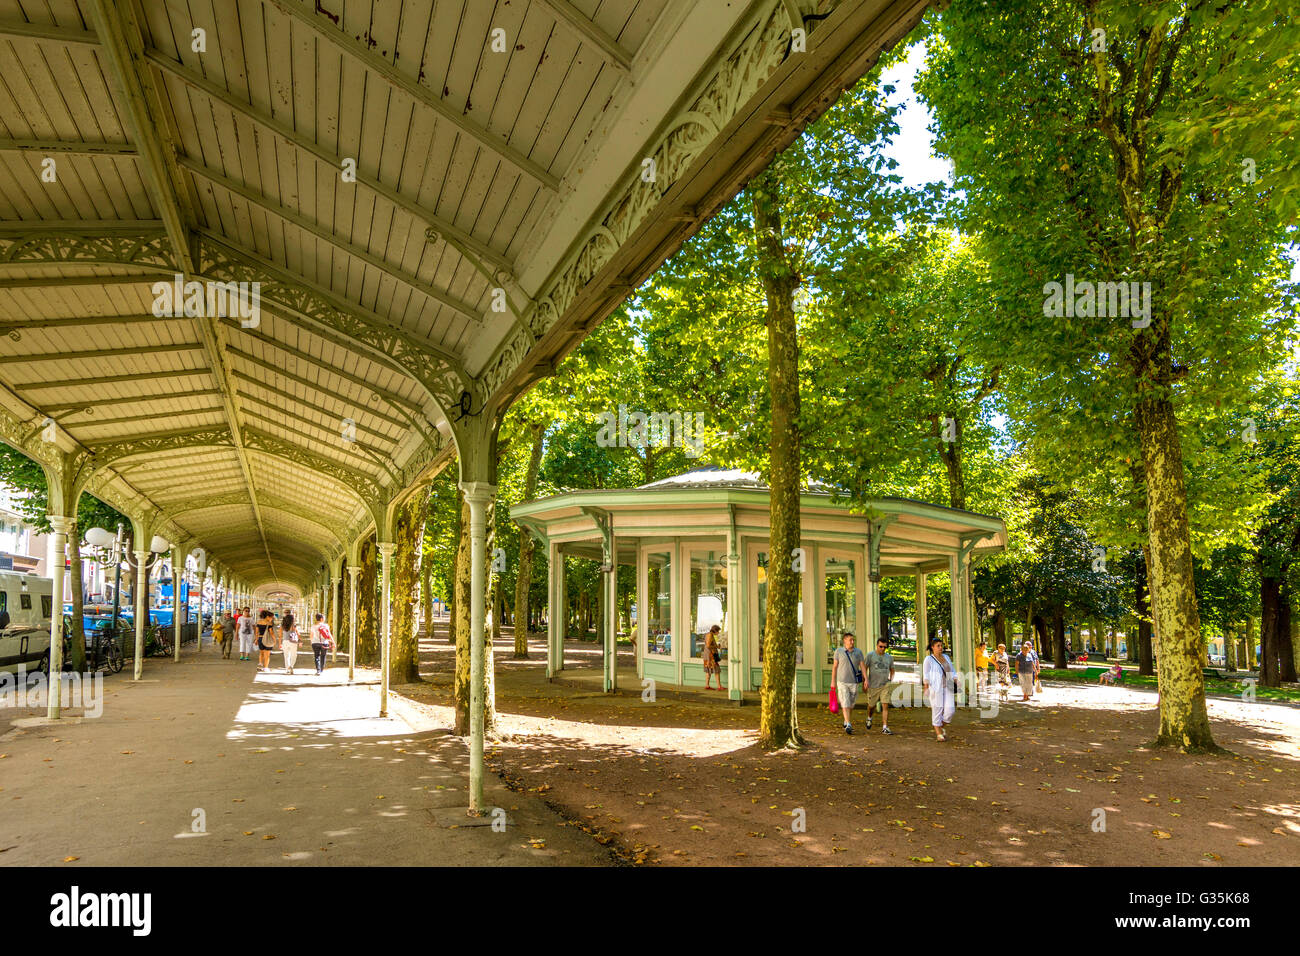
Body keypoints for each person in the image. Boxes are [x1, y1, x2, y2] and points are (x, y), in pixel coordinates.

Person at [922, 637, 956, 742]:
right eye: (938, 646)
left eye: (941, 646)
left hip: (948, 687)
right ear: (932, 647)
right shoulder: (928, 659)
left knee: (950, 711)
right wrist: (926, 687)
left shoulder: (946, 657)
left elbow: (951, 670)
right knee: (937, 710)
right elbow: (926, 674)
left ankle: (940, 727)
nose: (940, 648)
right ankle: (938, 734)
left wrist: (956, 679)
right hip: (936, 688)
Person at [831, 631, 867, 734]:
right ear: (844, 641)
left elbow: (862, 666)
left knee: (851, 704)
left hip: (854, 682)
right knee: (845, 702)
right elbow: (834, 667)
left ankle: (846, 720)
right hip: (842, 681)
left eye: (853, 640)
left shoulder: (858, 652)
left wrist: (866, 679)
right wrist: (833, 681)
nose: (852, 642)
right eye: (850, 640)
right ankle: (848, 723)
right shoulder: (838, 651)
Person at [863, 636, 895, 734]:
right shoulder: (870, 655)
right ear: (877, 645)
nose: (882, 649)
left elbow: (892, 669)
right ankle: (869, 717)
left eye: (885, 647)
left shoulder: (889, 657)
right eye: (881, 646)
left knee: (885, 705)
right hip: (873, 685)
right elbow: (865, 668)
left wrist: (890, 679)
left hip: (885, 685)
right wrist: (865, 681)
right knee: (871, 706)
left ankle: (885, 727)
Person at [702, 624, 723, 690]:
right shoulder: (710, 635)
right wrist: (717, 646)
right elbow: (708, 645)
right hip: (710, 655)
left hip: (707, 654)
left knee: (708, 670)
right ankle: (719, 686)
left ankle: (707, 685)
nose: (718, 633)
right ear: (715, 630)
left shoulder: (708, 634)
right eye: (718, 631)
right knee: (716, 670)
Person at [974, 639, 991, 703]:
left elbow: (988, 659)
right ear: (980, 646)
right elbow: (974, 658)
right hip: (979, 667)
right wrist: (975, 667)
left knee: (984, 679)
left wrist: (994, 662)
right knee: (979, 679)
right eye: (983, 647)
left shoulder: (985, 651)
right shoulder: (977, 650)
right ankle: (978, 690)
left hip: (985, 667)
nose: (984, 648)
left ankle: (983, 690)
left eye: (985, 647)